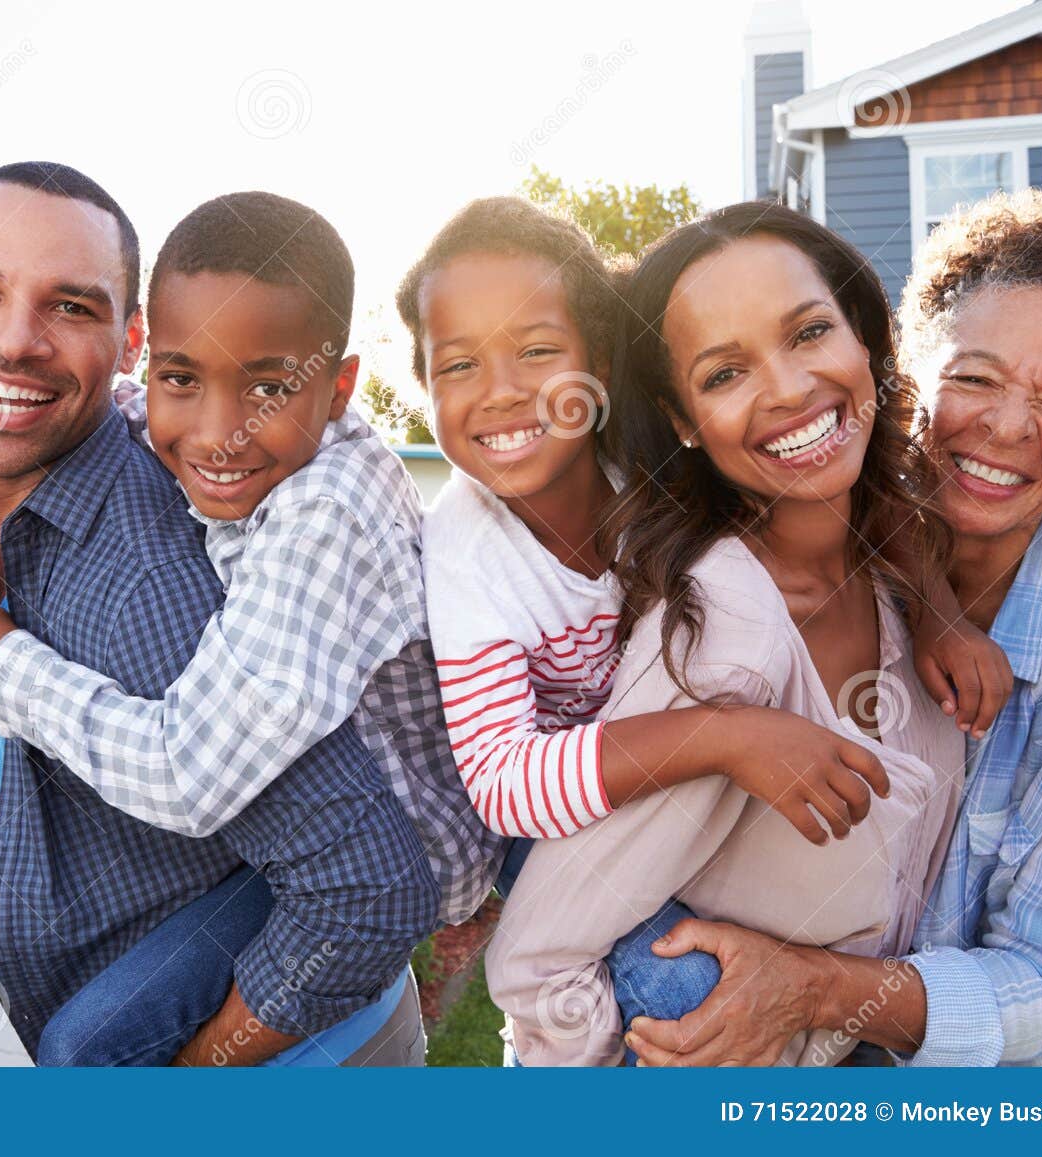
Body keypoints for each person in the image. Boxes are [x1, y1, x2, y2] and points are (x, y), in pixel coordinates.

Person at [395, 197, 1005, 1062]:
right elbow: (501, 780)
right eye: (455, 365)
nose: (501, 391)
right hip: (543, 811)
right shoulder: (471, 550)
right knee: (675, 981)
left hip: (647, 782)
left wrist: (939, 612)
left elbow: (860, 488)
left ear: (600, 368)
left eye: (536, 351)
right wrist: (727, 734)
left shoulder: (638, 464)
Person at [629, 186, 1042, 1067]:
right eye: (975, 378)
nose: (1008, 426)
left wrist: (810, 985)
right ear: (906, 372)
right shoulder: (839, 531)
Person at [0, 189, 498, 1063]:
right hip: (289, 861)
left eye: (267, 387)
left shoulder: (311, 524)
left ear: (338, 388)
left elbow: (193, 777)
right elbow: (45, 417)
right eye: (183, 379)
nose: (221, 432)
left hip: (382, 872)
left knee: (89, 1049)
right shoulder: (141, 430)